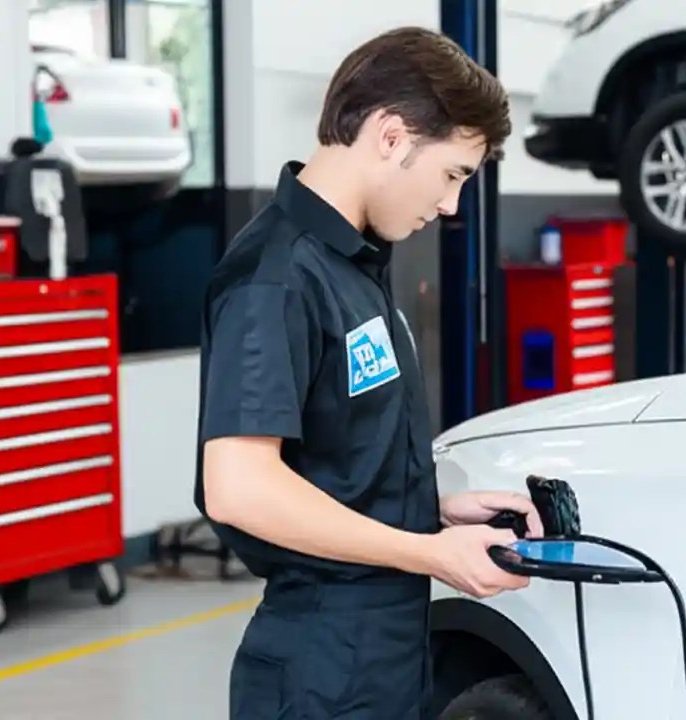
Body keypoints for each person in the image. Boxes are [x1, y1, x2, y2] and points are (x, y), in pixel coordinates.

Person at [192, 26, 543, 720]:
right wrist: (428, 551)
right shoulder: (276, 278)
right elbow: (238, 487)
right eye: (452, 175)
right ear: (391, 136)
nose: (450, 205)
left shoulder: (353, 266)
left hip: (382, 652)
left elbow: (331, 457)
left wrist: (428, 508)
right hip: (321, 668)